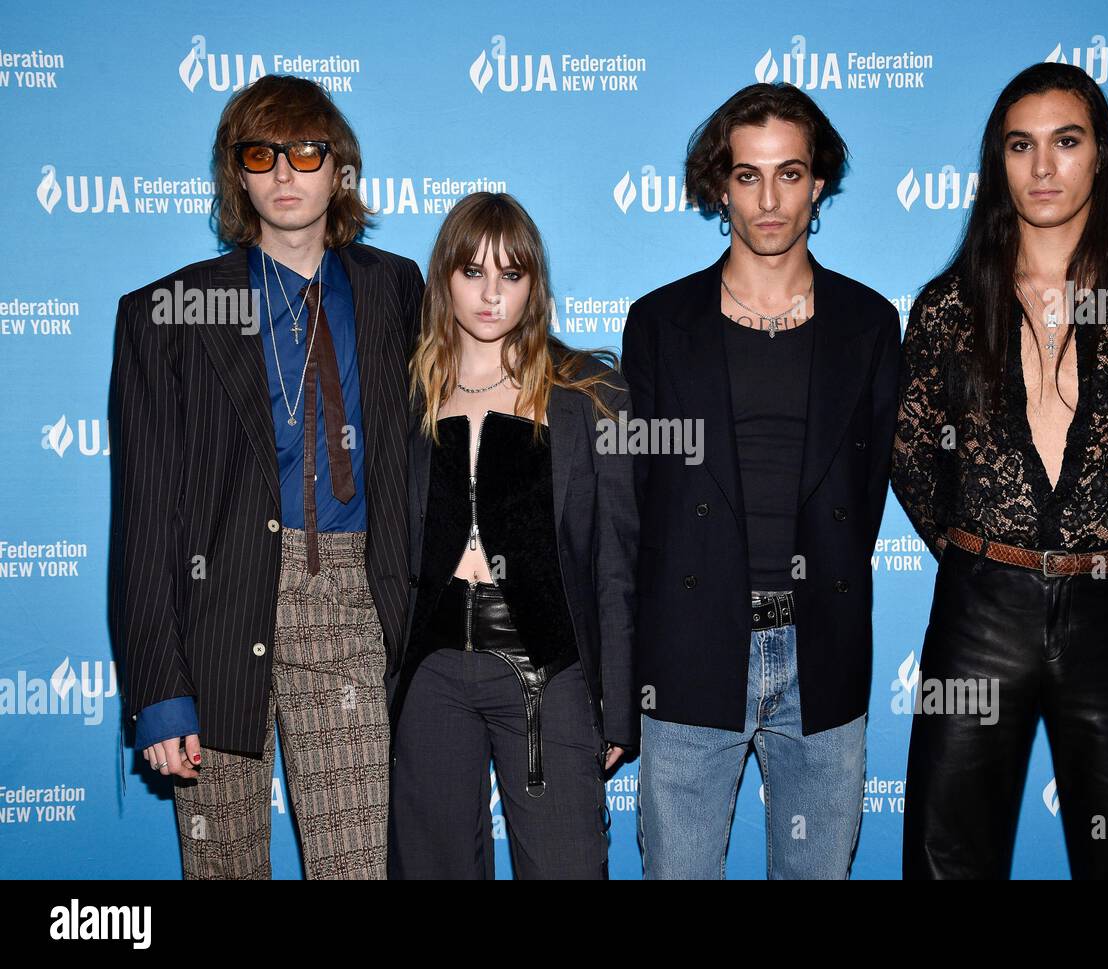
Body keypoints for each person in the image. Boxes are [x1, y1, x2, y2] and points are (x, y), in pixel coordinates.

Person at [891, 62, 1108, 879]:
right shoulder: (948, 305)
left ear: (1100, 155)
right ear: (997, 162)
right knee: (946, 859)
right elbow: (908, 453)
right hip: (979, 618)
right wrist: (979, 560)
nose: (1042, 167)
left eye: (1065, 142)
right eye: (1021, 145)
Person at [109, 74, 424, 878]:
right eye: (262, 154)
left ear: (339, 170)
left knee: (359, 866)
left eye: (306, 152)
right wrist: (159, 689)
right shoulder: (166, 314)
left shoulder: (396, 289)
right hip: (214, 614)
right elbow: (143, 519)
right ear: (237, 174)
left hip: (353, 609)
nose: (285, 173)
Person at [623, 83, 900, 879]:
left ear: (818, 184)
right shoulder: (658, 322)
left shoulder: (870, 324)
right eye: (747, 176)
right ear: (720, 186)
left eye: (790, 173)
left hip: (824, 652)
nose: (770, 199)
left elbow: (869, 485)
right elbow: (641, 500)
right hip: (688, 648)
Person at [388, 192, 637, 879]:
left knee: (567, 864)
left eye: (512, 273)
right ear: (445, 280)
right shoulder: (410, 392)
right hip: (433, 667)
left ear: (535, 283)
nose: (492, 293)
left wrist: (618, 701)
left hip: (547, 667)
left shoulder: (589, 391)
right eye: (473, 272)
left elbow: (616, 561)